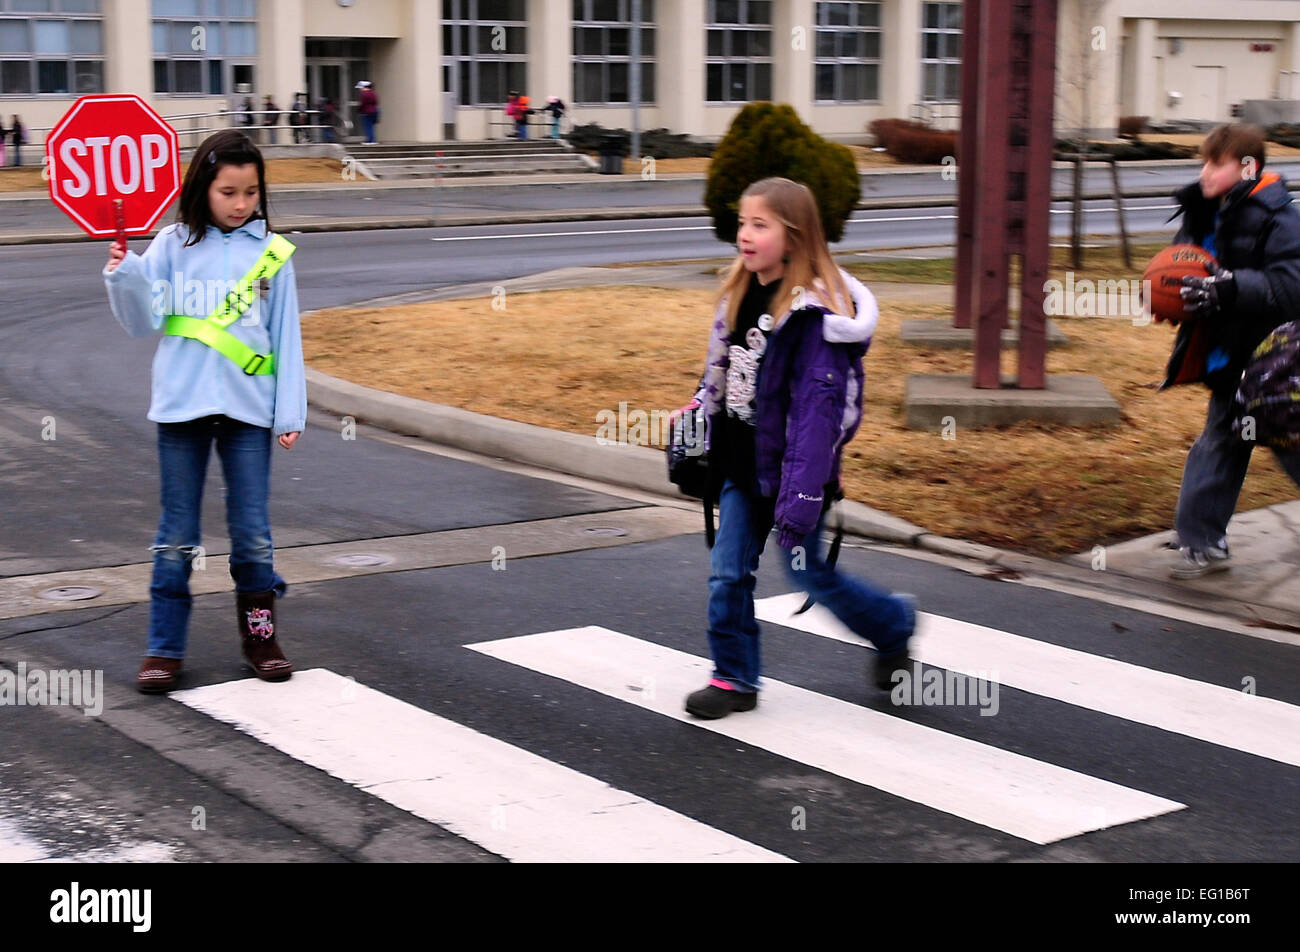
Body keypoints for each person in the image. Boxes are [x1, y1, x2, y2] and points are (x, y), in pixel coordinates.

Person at [684, 177, 914, 719]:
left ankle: (893, 625)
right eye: (742, 222)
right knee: (727, 573)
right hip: (742, 468)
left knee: (809, 574)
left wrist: (803, 497)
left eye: (759, 225)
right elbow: (722, 370)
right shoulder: (739, 295)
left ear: (794, 236)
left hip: (795, 478)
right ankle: (734, 678)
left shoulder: (812, 319)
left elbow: (817, 417)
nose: (744, 234)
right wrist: (698, 407)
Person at [102, 129, 306, 694]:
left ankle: (260, 638)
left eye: (251, 192)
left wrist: (289, 412)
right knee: (176, 536)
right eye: (228, 192)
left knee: (253, 534)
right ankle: (164, 649)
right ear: (203, 189)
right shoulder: (171, 246)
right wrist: (123, 274)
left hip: (248, 413)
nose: (241, 204)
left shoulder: (272, 255)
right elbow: (142, 321)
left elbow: (285, 335)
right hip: (181, 410)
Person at [1165, 123, 1300, 579]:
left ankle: (1200, 537)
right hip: (1231, 359)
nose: (1204, 172)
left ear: (1248, 167)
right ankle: (1199, 539)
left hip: (1278, 363)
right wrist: (1169, 292)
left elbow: (1292, 285)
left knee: (1290, 445)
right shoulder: (1202, 213)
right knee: (1221, 441)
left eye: (1215, 163)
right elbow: (1180, 263)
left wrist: (1231, 288)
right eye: (1202, 161)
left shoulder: (1280, 218)